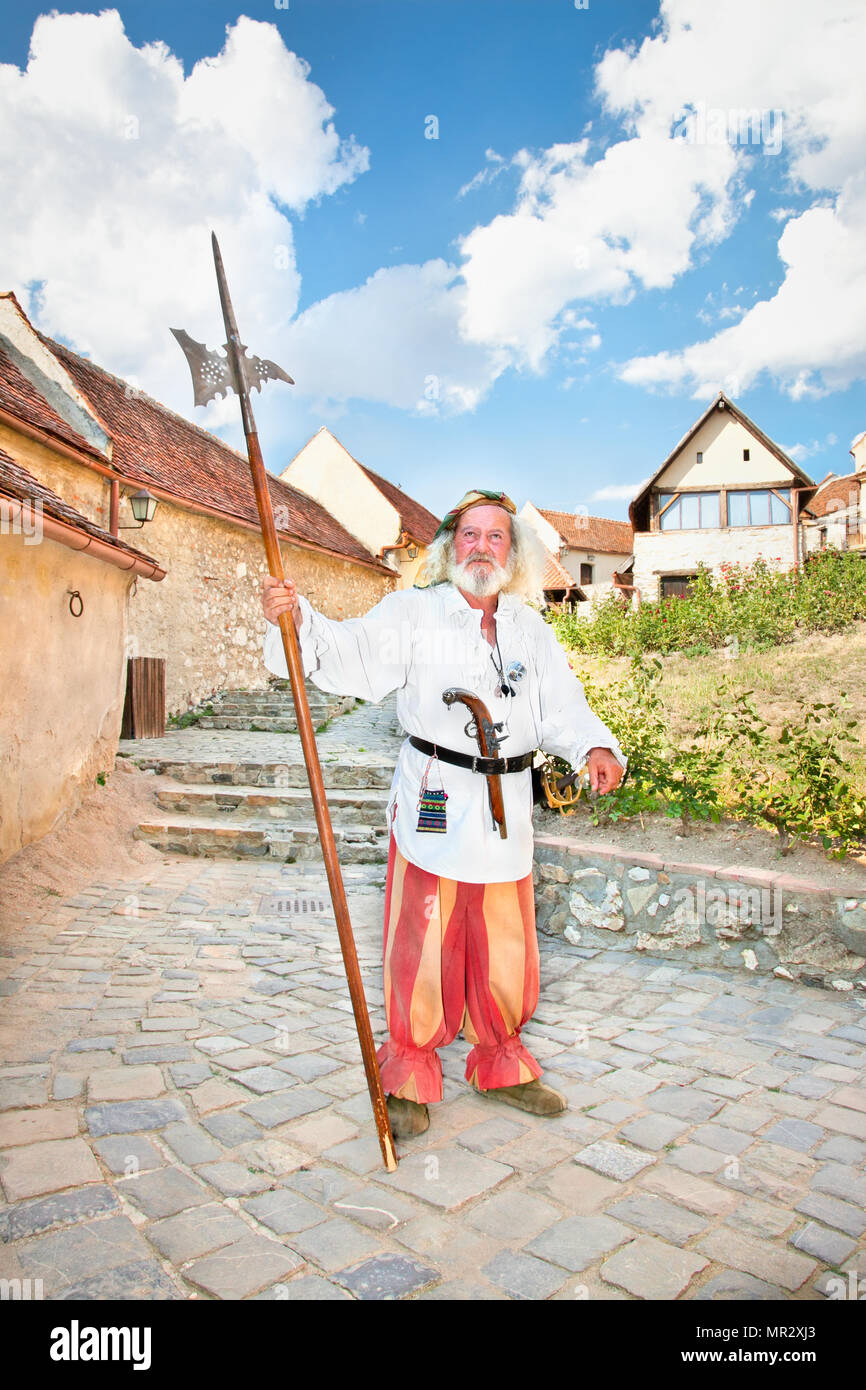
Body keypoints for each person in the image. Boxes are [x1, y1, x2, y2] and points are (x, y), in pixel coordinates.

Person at [261, 489, 626, 1140]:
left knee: (506, 942)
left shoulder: (528, 630)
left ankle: (501, 1062)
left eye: (495, 537)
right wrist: (298, 620)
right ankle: (407, 1074)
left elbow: (563, 704)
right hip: (436, 800)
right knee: (422, 938)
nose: (481, 547)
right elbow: (350, 654)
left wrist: (593, 744)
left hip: (507, 808)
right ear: (448, 546)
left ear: (512, 554)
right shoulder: (414, 613)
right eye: (469, 535)